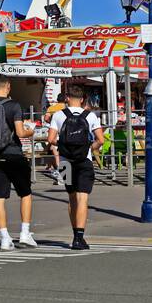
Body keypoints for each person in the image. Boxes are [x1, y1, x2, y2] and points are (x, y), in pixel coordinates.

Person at [47, 84, 105, 250]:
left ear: (67, 98)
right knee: (82, 199)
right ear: (82, 100)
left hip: (65, 162)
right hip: (84, 161)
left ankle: (74, 235)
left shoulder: (58, 115)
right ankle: (79, 238)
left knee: (72, 198)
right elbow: (101, 140)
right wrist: (89, 148)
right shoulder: (91, 116)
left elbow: (50, 139)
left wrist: (63, 146)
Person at [0, 77, 37, 250]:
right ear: (8, 87)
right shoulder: (14, 106)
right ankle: (24, 234)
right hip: (13, 153)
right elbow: (20, 132)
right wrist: (31, 131)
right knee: (25, 193)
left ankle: (5, 238)